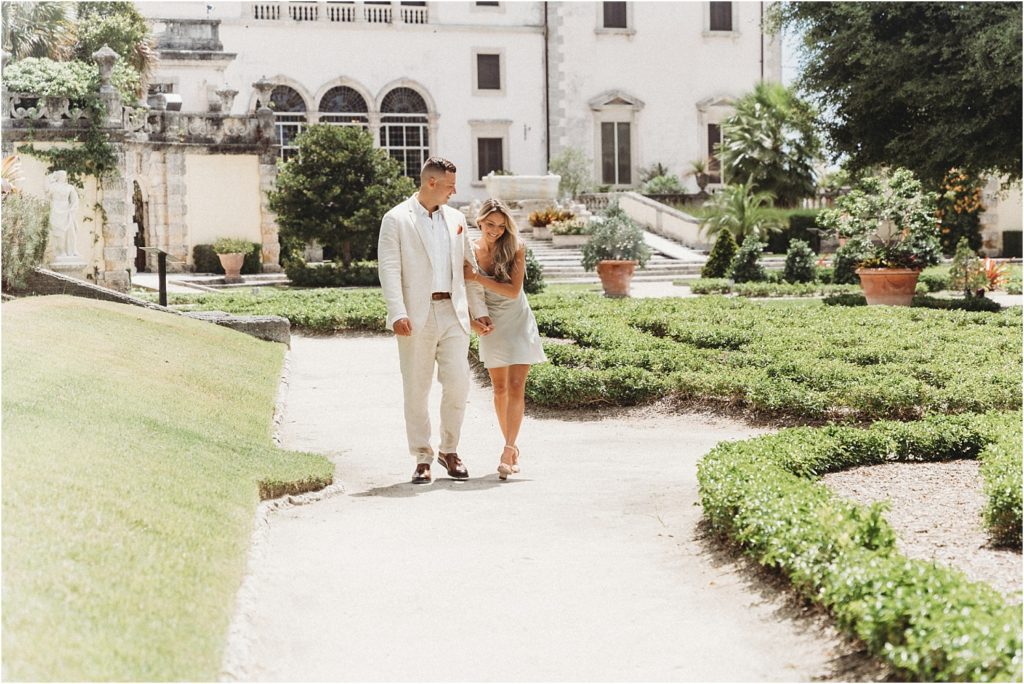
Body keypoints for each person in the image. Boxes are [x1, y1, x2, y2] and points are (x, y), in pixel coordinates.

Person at [377, 157, 494, 485]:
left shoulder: (457, 218)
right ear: (431, 183)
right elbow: (388, 268)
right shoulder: (396, 219)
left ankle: (450, 450)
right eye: (449, 185)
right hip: (416, 314)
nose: (454, 191)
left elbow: (469, 269)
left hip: (452, 314)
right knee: (417, 387)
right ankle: (422, 456)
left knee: (458, 383)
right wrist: (397, 312)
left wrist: (478, 311)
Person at [463, 198, 547, 480]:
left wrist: (477, 276)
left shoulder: (516, 246)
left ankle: (508, 448)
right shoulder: (469, 250)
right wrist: (475, 319)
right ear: (479, 221)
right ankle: (511, 447)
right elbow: (466, 290)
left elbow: (513, 290)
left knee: (516, 386)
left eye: (501, 226)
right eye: (490, 224)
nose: (495, 230)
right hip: (492, 322)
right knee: (499, 389)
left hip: (518, 319)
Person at [46, 170, 80, 259]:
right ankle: (61, 252)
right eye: (61, 175)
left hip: (66, 210)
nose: (63, 177)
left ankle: (72, 250)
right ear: (57, 176)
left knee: (71, 231)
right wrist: (50, 180)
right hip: (56, 209)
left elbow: (75, 200)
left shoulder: (69, 187)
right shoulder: (52, 187)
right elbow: (47, 195)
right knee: (58, 232)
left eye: (64, 175)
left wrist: (72, 209)